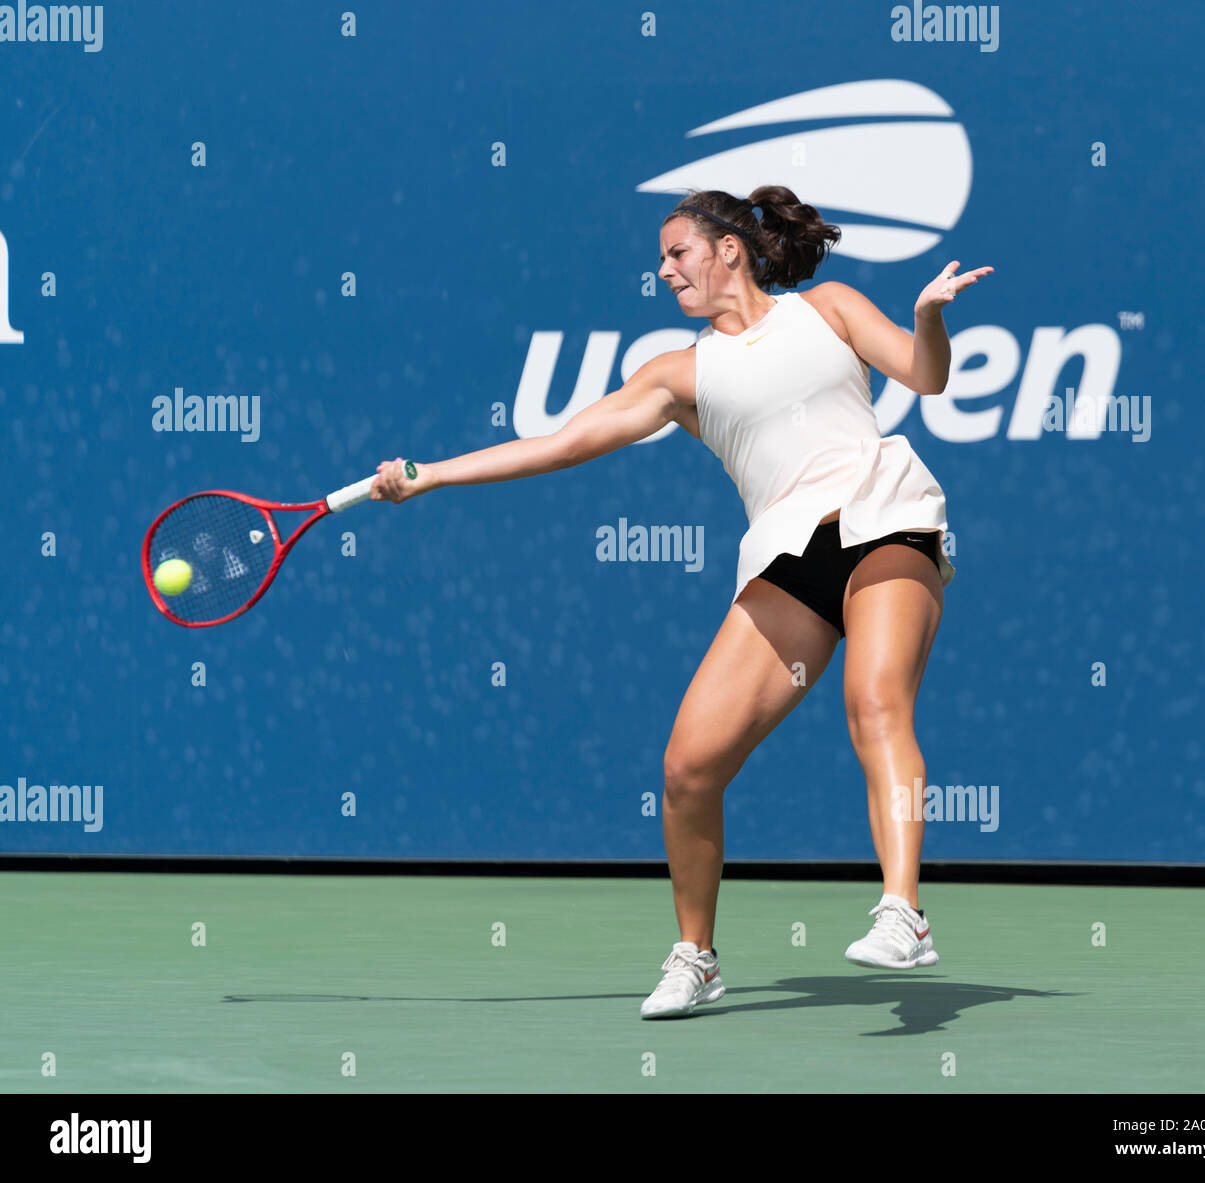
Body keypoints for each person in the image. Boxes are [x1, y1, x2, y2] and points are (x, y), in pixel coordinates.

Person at [371, 185, 993, 1020]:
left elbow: (927, 374)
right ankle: (696, 956)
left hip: (885, 521)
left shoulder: (830, 308)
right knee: (689, 768)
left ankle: (902, 912)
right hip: (787, 557)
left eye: (677, 253)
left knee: (876, 700)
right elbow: (560, 444)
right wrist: (433, 474)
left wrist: (927, 316)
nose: (663, 270)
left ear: (728, 248)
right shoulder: (678, 374)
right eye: (663, 259)